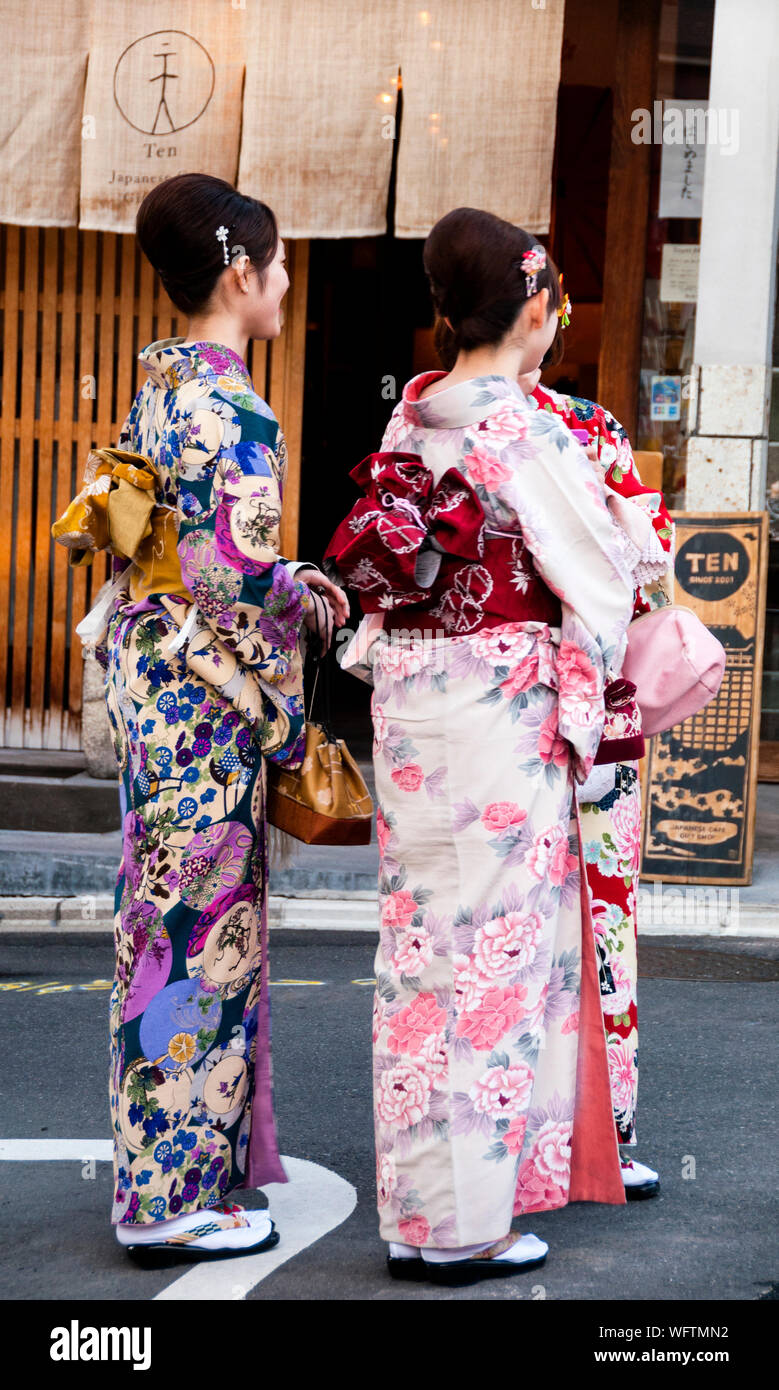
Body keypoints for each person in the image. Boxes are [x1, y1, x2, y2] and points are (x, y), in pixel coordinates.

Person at [325, 208, 636, 1286]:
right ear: (536, 308)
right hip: (498, 708)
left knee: (416, 952)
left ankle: (417, 1213)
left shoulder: (413, 417)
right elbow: (608, 575)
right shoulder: (519, 426)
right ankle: (469, 1227)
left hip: (414, 703)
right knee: (497, 960)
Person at [52, 172, 347, 1260]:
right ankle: (170, 1199)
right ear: (240, 271)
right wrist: (303, 588)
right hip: (204, 704)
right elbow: (231, 566)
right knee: (194, 933)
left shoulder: (159, 391)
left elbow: (159, 541)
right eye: (274, 265)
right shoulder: (230, 404)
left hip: (157, 684)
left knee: (164, 924)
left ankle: (172, 1177)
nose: (281, 282)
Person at [516, 314, 676, 1198]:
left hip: (489, 712)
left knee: (500, 928)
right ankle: (599, 1142)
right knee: (599, 915)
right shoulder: (585, 429)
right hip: (591, 709)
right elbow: (647, 572)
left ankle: (504, 1141)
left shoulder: (431, 423)